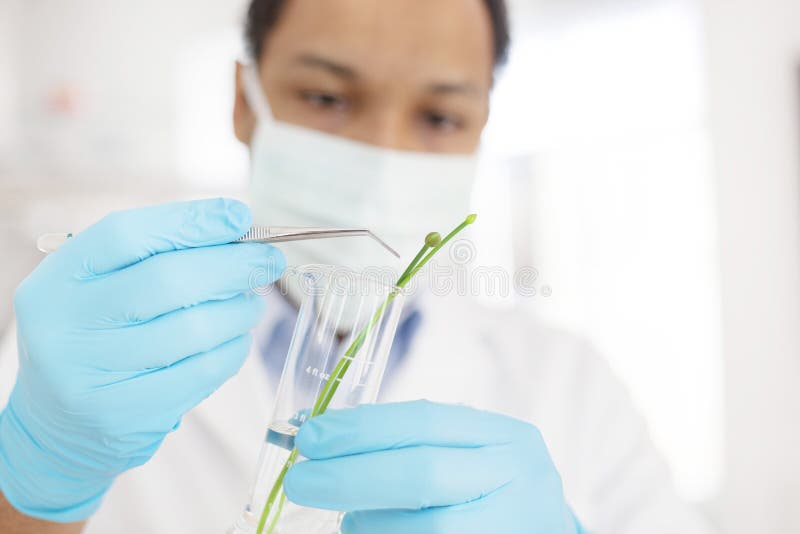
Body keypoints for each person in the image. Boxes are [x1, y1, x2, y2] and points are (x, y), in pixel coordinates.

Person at [0, 1, 715, 533]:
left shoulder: (571, 386)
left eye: (439, 117)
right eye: (326, 97)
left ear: (482, 129)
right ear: (243, 103)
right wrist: (37, 487)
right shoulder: (78, 363)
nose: (381, 158)